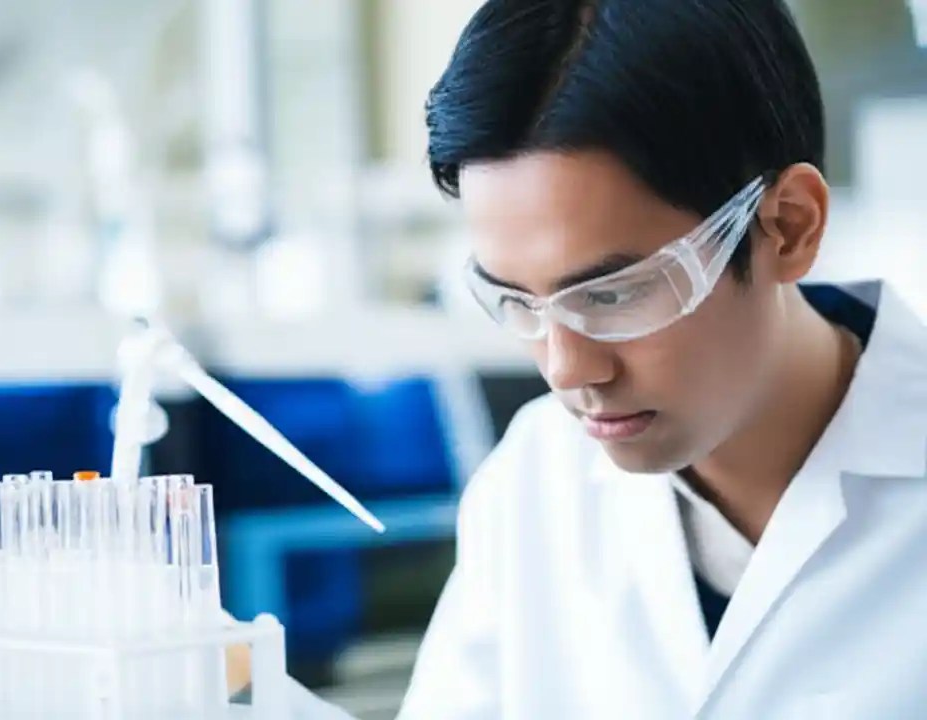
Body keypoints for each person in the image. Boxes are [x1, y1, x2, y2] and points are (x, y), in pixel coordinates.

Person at [283, 0, 927, 717]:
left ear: (788, 227)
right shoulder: (534, 477)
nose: (566, 370)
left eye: (615, 296)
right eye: (516, 303)